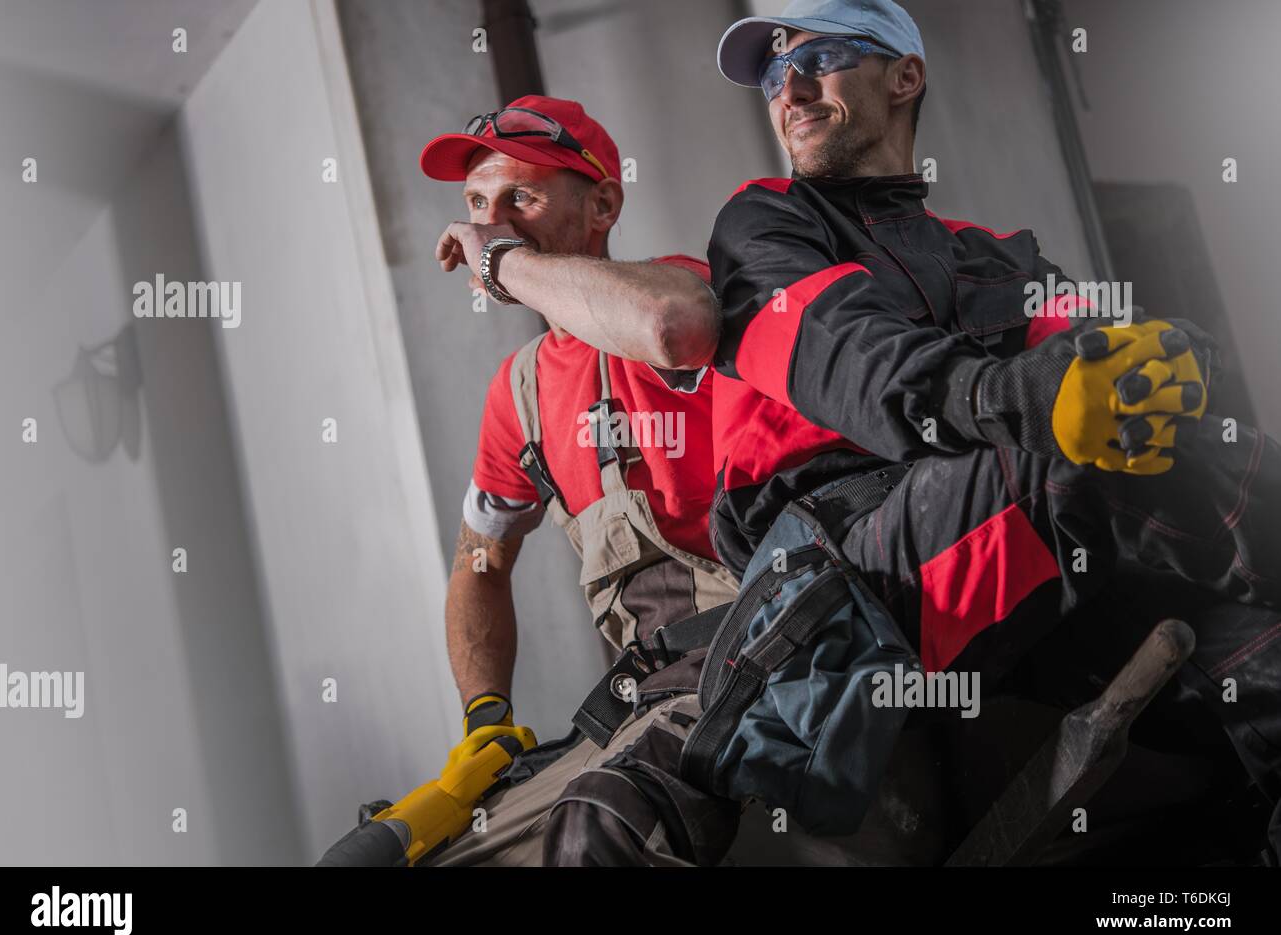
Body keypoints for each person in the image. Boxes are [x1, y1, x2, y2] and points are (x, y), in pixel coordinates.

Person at [545, 0, 1281, 864]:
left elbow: (1101, 352)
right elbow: (850, 363)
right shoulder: (765, 225)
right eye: (776, 74)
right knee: (1079, 460)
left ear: (904, 76)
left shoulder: (997, 255)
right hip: (856, 569)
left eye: (819, 59)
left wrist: (1169, 360)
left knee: (1255, 659)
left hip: (1010, 559)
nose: (792, 89)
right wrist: (1025, 396)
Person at [417, 95, 739, 865]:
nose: (488, 222)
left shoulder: (674, 294)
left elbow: (671, 321)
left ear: (602, 203)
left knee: (599, 829)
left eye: (519, 197)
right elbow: (479, 564)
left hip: (756, 654)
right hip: (642, 699)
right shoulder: (519, 393)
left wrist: (502, 261)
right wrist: (485, 720)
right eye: (474, 203)